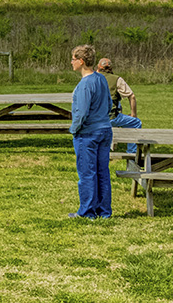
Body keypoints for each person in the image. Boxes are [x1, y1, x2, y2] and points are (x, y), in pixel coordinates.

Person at [68, 44, 113, 219]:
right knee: (102, 172)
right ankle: (104, 211)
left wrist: (74, 129)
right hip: (104, 130)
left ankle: (87, 212)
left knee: (87, 174)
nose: (71, 62)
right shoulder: (101, 79)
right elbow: (110, 104)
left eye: (73, 59)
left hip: (88, 134)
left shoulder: (84, 85)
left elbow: (81, 112)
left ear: (81, 61)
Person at [97, 57, 143, 154]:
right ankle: (131, 153)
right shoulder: (117, 79)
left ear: (98, 68)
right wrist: (133, 114)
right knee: (136, 122)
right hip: (110, 118)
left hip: (95, 119)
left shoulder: (91, 78)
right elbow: (132, 96)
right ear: (111, 68)